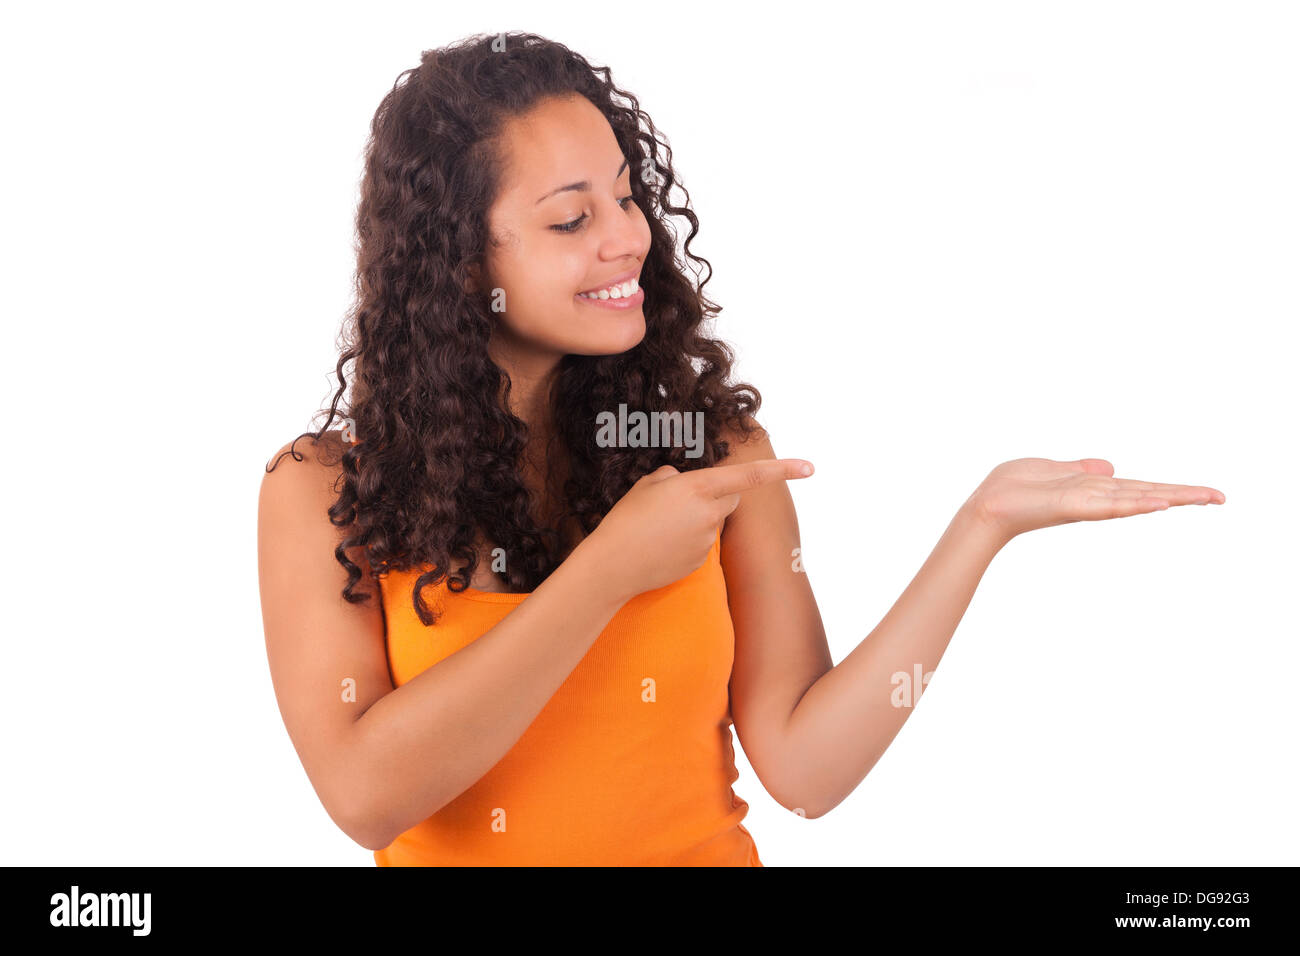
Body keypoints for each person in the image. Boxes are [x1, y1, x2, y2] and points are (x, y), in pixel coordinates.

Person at [256, 32, 1225, 866]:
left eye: (627, 198)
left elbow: (803, 770)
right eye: (570, 217)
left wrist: (980, 528)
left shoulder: (713, 455)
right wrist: (609, 569)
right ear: (462, 263)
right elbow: (365, 794)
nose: (626, 237)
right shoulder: (324, 490)